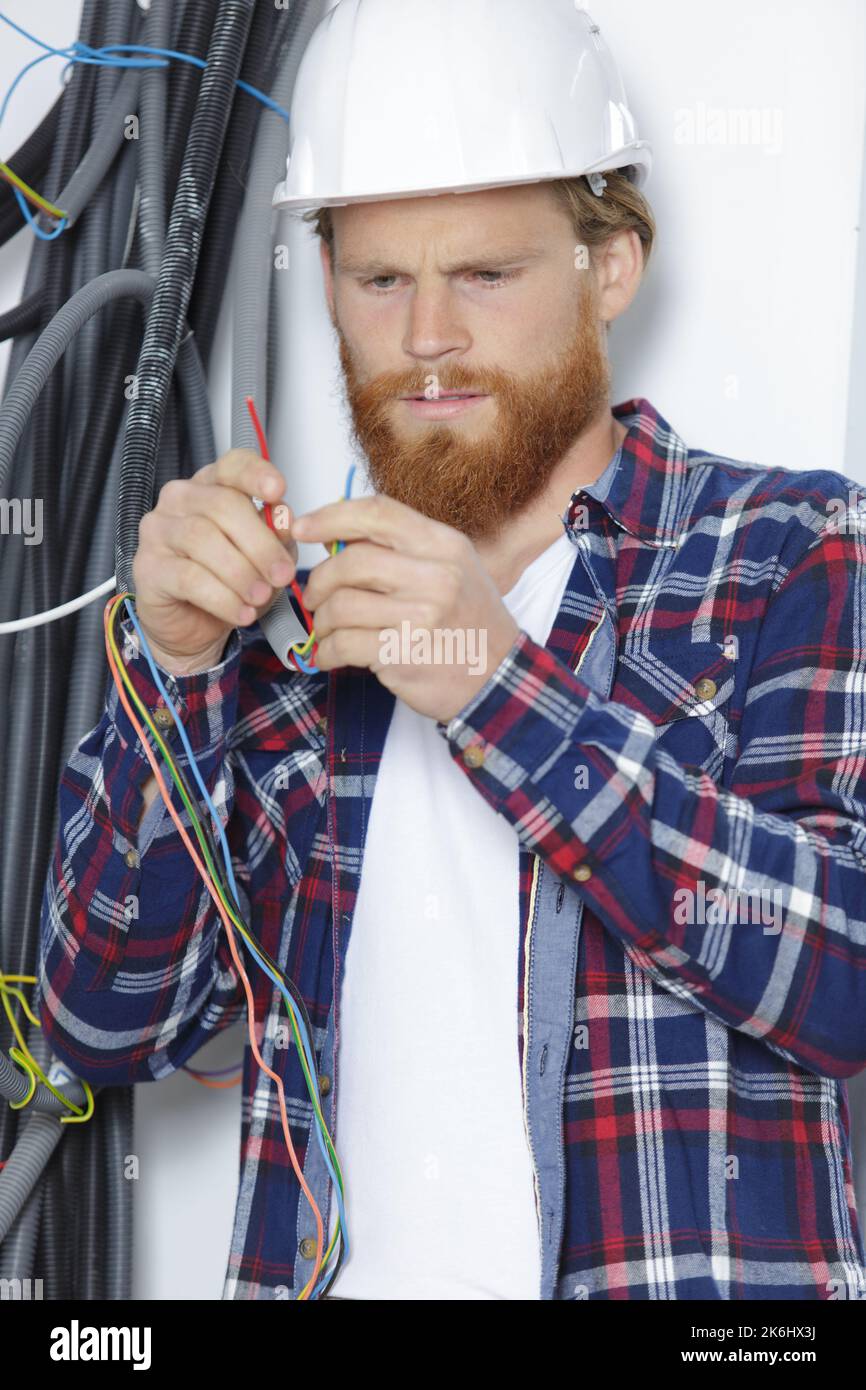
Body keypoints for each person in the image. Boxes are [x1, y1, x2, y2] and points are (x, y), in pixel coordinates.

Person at [39, 0, 866, 1301]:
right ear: (327, 285)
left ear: (610, 268)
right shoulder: (289, 628)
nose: (426, 337)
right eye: (380, 280)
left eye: (484, 273)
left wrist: (499, 688)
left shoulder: (788, 548)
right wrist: (180, 670)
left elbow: (843, 983)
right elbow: (104, 1022)